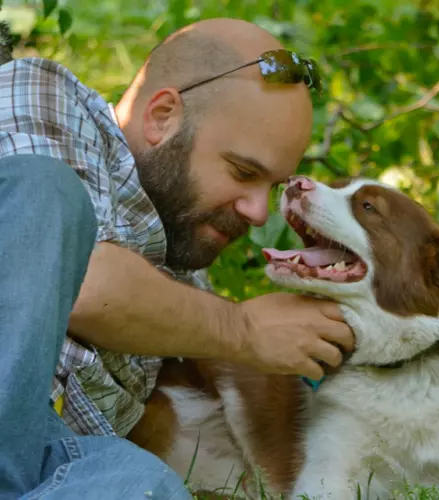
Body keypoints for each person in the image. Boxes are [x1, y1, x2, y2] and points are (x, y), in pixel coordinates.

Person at [0, 17, 354, 500]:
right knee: (48, 190)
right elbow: (79, 282)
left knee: (145, 486)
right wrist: (244, 330)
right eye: (242, 170)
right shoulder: (43, 94)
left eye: (270, 188)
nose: (257, 212)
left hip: (54, 463)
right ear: (162, 115)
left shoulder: (182, 280)